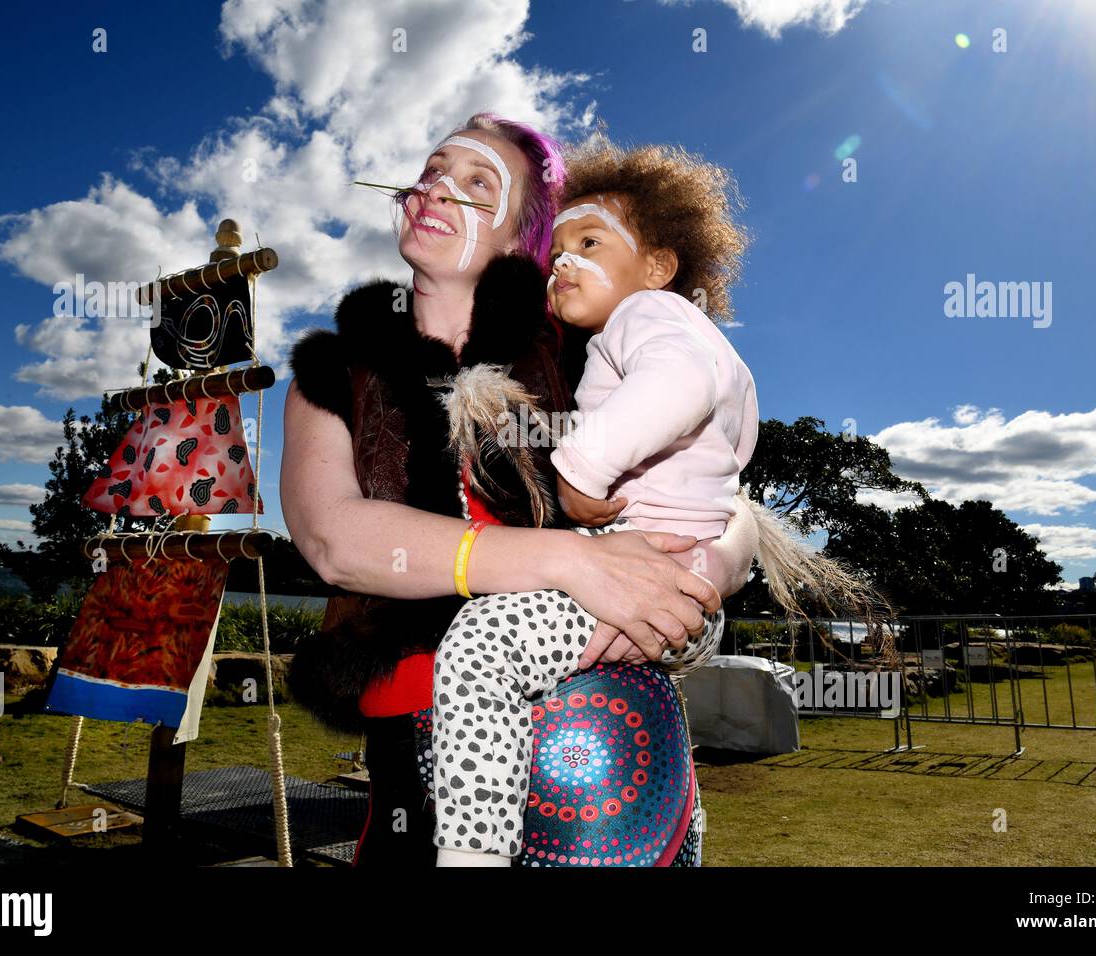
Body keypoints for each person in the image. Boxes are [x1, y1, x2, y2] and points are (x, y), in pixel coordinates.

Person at [281, 114, 760, 867]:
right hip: (412, 767)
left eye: (477, 183)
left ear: (522, 239)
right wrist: (568, 562)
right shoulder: (333, 371)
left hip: (613, 752)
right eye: (432, 170)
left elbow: (727, 497)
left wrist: (697, 576)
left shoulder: (594, 347)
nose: (438, 187)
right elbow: (333, 538)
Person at [430, 142, 761, 865]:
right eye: (557, 254)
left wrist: (582, 477)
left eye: (588, 243)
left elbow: (681, 392)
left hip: (652, 586)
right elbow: (727, 456)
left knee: (483, 646)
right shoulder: (659, 337)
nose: (564, 263)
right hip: (650, 608)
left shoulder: (649, 318)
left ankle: (470, 854)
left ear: (658, 267)